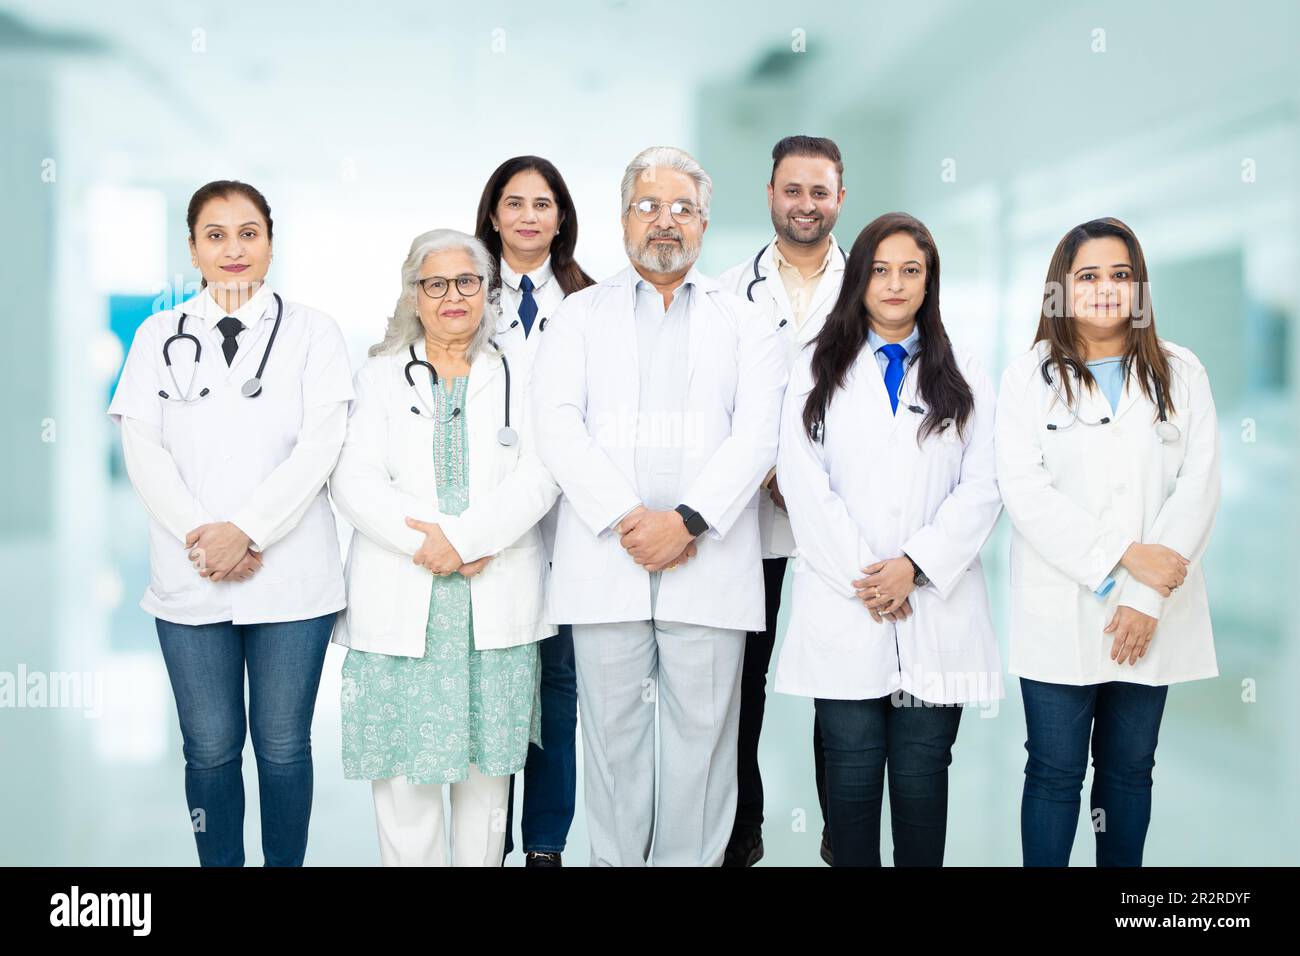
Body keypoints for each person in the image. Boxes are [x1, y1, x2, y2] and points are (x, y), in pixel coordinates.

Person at [532, 146, 787, 866]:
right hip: (608, 561)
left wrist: (688, 522)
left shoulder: (747, 321)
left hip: (707, 564)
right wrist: (628, 518)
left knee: (703, 750)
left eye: (682, 208)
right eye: (649, 205)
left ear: (704, 224)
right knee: (611, 746)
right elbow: (557, 424)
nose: (664, 221)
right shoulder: (578, 316)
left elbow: (758, 433)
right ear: (622, 220)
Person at [107, 179, 354, 866]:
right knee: (209, 748)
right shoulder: (160, 333)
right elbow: (143, 448)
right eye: (215, 235)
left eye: (248, 232)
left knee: (281, 748)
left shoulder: (314, 333)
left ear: (270, 242)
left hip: (289, 572)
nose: (233, 248)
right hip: (192, 572)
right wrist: (205, 536)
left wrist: (246, 529)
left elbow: (321, 447)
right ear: (193, 248)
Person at [775, 212, 1003, 866]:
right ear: (858, 277)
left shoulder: (963, 369)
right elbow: (802, 481)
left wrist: (916, 566)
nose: (896, 284)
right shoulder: (817, 366)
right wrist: (873, 577)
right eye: (880, 269)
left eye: (912, 270)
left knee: (923, 777)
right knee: (848, 781)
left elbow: (986, 483)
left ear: (929, 282)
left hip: (935, 601)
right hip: (847, 601)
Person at [995, 217, 1220, 866]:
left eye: (1120, 275)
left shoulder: (1182, 372)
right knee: (1054, 774)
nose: (1104, 289)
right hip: (1059, 607)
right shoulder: (1027, 377)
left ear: (1139, 287)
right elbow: (1026, 493)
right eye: (1087, 276)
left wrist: (1145, 599)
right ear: (1061, 290)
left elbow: (1198, 489)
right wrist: (1123, 556)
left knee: (1128, 773)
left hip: (1153, 613)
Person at [330, 229, 559, 867]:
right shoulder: (377, 375)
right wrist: (435, 542)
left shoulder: (520, 373)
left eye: (468, 282)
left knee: (488, 789)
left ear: (489, 292)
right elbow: (352, 479)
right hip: (406, 599)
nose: (453, 296)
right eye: (437, 283)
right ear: (414, 294)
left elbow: (543, 473)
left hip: (495, 595)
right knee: (405, 783)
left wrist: (465, 539)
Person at [717, 134, 848, 866]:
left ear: (839, 198)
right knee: (746, 675)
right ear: (771, 195)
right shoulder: (729, 288)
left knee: (842, 670)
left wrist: (808, 473)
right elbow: (722, 395)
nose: (805, 204)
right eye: (792, 190)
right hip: (753, 510)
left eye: (819, 191)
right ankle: (743, 828)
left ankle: (841, 827)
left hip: (839, 509)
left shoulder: (871, 282)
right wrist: (768, 466)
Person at [474, 156, 595, 866]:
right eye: (513, 203)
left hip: (567, 526)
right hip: (486, 524)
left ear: (560, 217)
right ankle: (489, 841)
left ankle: (545, 843)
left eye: (541, 203)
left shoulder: (594, 299)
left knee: (558, 687)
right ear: (493, 214)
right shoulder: (463, 291)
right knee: (494, 687)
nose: (527, 216)